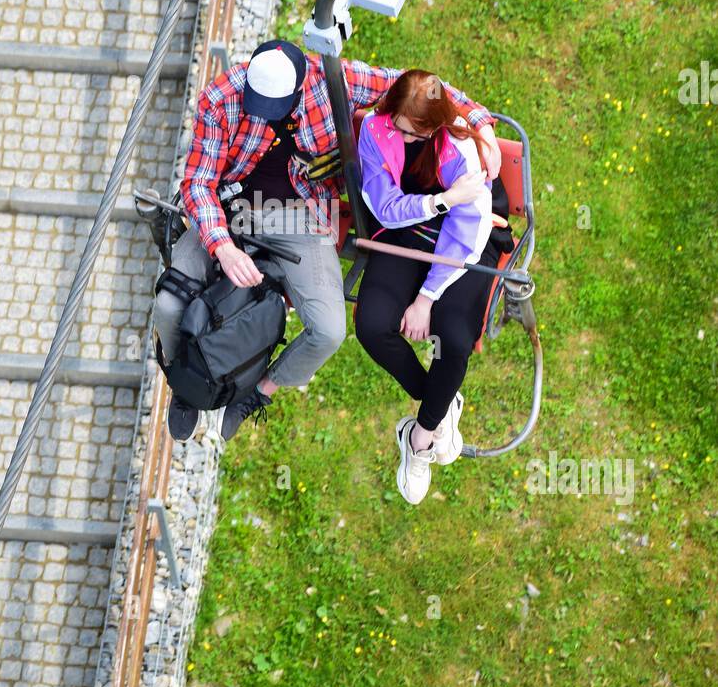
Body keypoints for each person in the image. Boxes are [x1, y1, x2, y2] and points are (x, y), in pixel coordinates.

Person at [154, 41, 501, 442]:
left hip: (299, 214)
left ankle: (259, 391)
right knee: (169, 303)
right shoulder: (220, 100)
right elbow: (199, 182)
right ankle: (187, 383)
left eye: (275, 109)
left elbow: (425, 90)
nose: (264, 116)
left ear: (300, 87)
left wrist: (482, 126)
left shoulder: (332, 78)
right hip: (227, 208)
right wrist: (222, 245)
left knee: (329, 330)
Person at [354, 69, 514, 505]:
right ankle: (440, 407)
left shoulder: (463, 151)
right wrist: (440, 200)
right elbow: (386, 207)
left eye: (413, 136)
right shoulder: (377, 127)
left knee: (454, 338)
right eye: (400, 130)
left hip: (466, 242)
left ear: (435, 127)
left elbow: (467, 230)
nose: (403, 140)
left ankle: (421, 437)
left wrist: (426, 298)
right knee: (371, 326)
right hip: (408, 228)